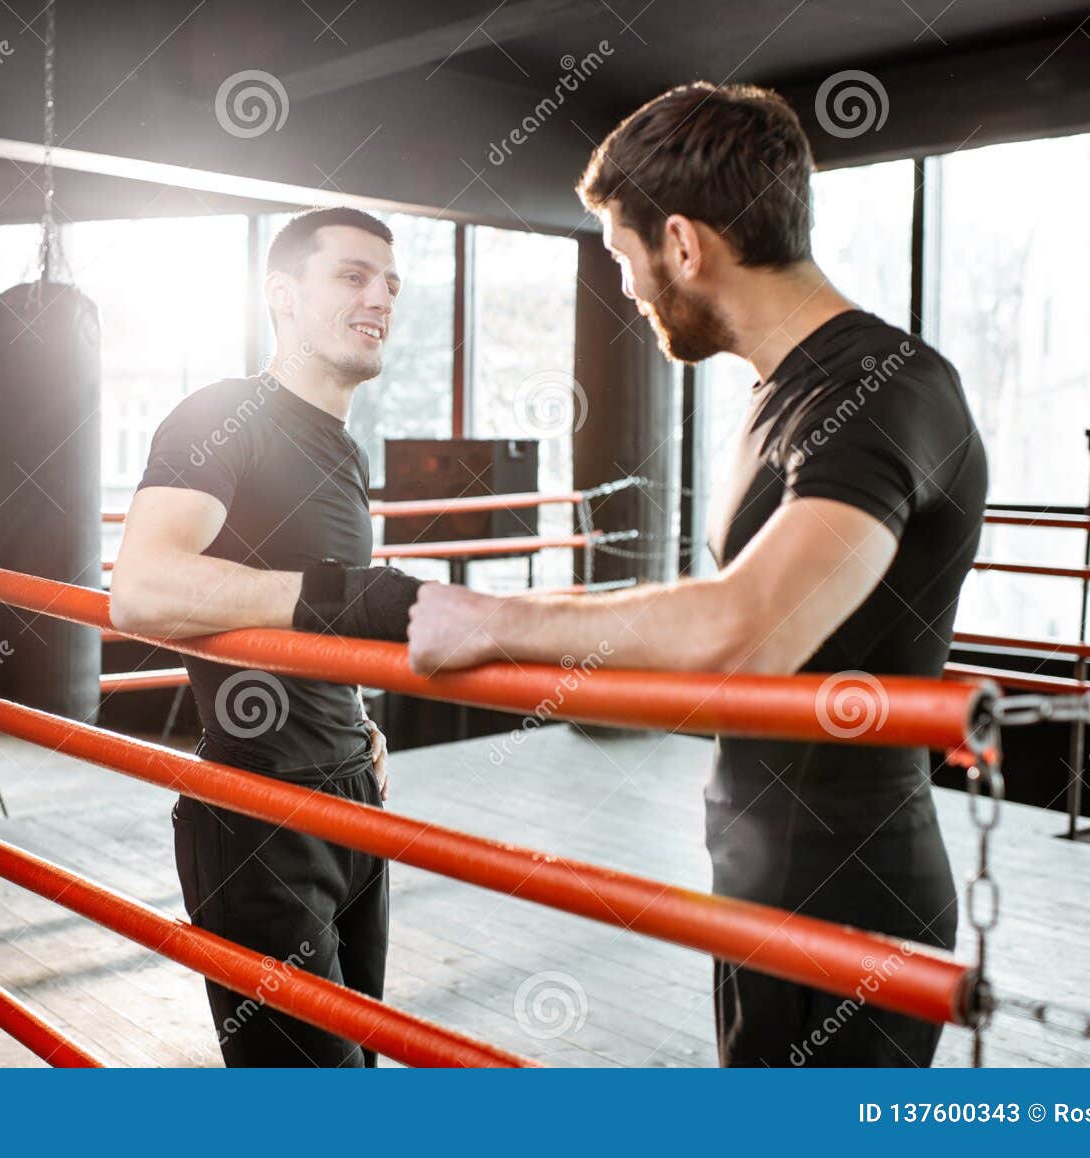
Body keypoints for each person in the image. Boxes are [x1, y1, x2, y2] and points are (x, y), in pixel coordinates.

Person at [405, 82, 988, 1067]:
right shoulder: (781, 395)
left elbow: (749, 630)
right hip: (762, 866)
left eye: (622, 258)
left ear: (682, 244)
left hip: (851, 888)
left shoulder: (888, 390)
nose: (627, 289)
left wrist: (494, 618)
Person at [109, 207, 421, 1067]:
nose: (380, 298)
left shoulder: (342, 448)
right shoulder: (225, 414)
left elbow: (295, 610)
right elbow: (140, 587)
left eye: (391, 282)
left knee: (360, 1075)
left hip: (353, 796)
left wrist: (357, 722)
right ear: (282, 296)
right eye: (352, 277)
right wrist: (344, 597)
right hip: (260, 812)